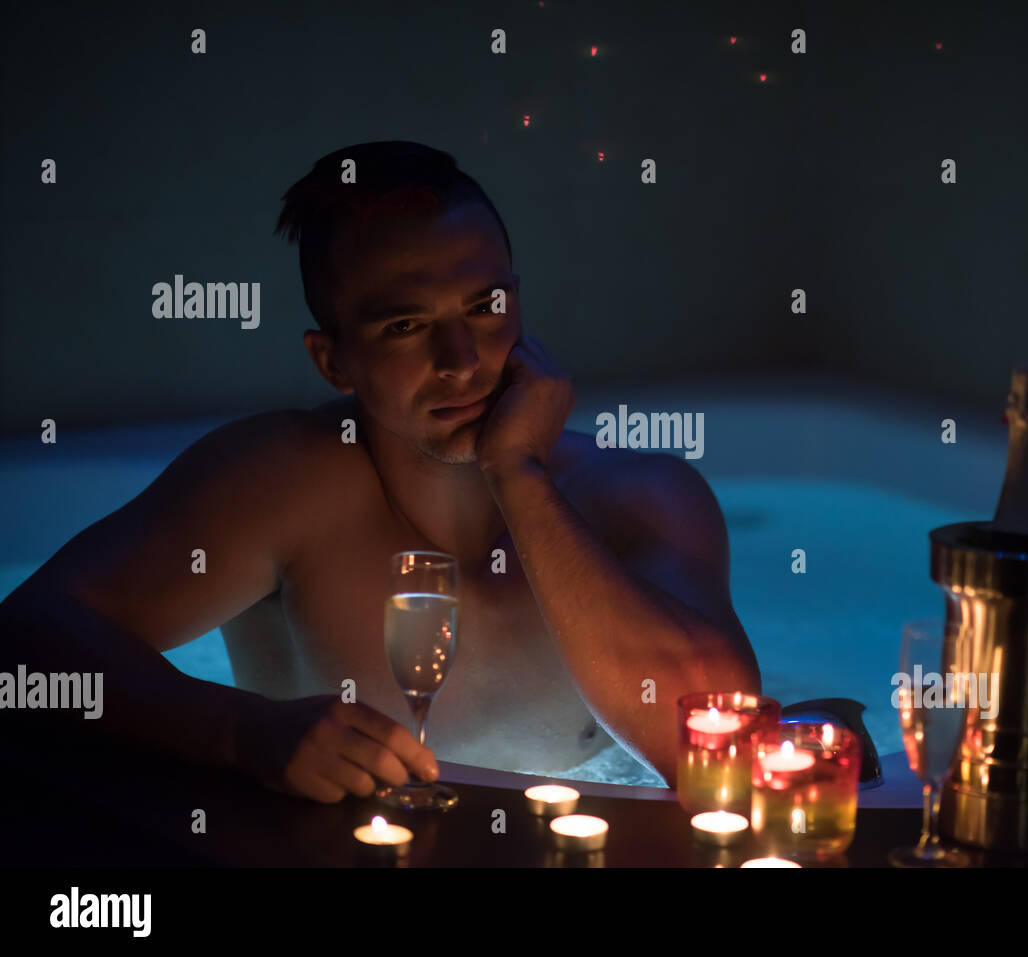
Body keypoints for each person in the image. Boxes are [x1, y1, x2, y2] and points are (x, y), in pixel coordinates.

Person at [0, 141, 760, 802]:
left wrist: (520, 475)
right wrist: (241, 731)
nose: (462, 361)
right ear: (334, 361)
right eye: (407, 325)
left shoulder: (639, 495)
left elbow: (713, 749)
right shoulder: (281, 485)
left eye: (485, 307)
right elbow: (25, 642)